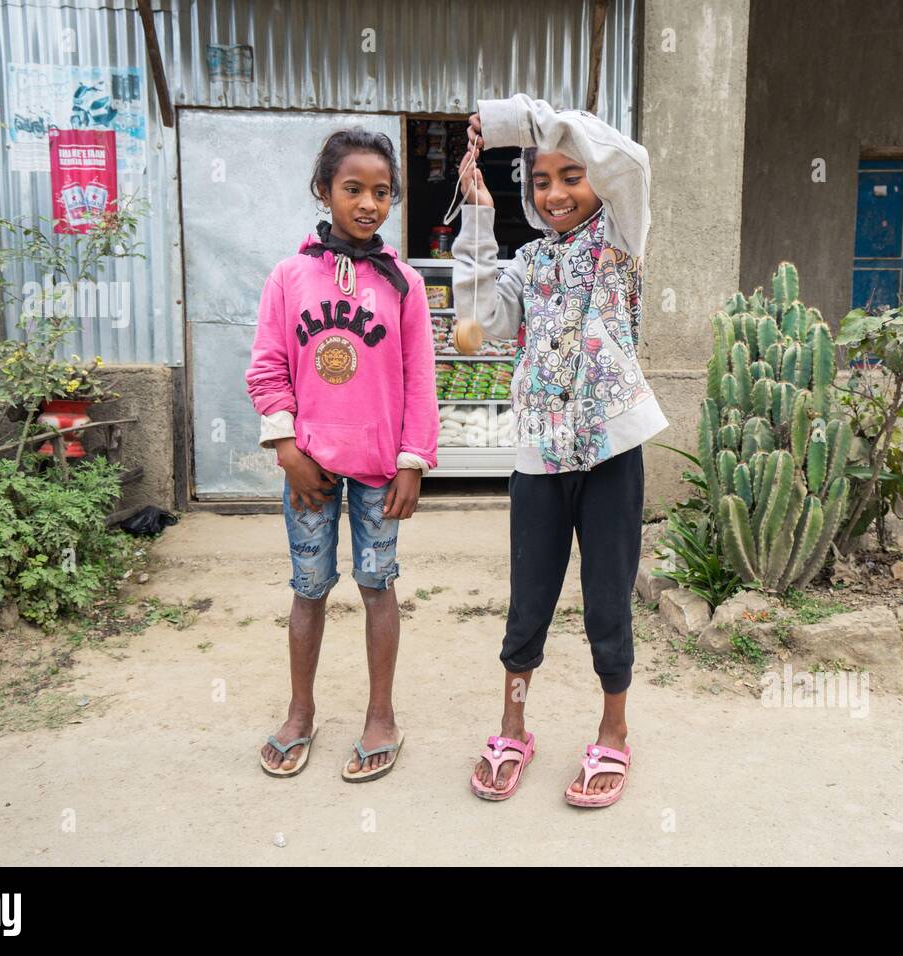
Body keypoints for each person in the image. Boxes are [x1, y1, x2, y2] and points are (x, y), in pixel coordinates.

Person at [453, 95, 666, 807]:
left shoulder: (621, 238)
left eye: (571, 176)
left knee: (608, 601)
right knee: (528, 605)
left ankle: (613, 733)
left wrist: (519, 123)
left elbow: (629, 160)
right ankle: (514, 725)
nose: (555, 194)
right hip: (540, 457)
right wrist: (479, 218)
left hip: (611, 453)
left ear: (595, 181)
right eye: (540, 182)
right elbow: (480, 320)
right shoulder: (529, 263)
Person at [246, 128, 438, 781]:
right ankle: (300, 712)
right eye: (353, 188)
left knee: (378, 585)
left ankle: (380, 714)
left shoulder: (403, 284)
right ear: (323, 190)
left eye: (382, 192)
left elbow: (419, 381)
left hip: (380, 470)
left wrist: (412, 461)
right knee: (308, 590)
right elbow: (268, 368)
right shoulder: (289, 276)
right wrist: (286, 449)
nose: (368, 203)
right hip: (311, 471)